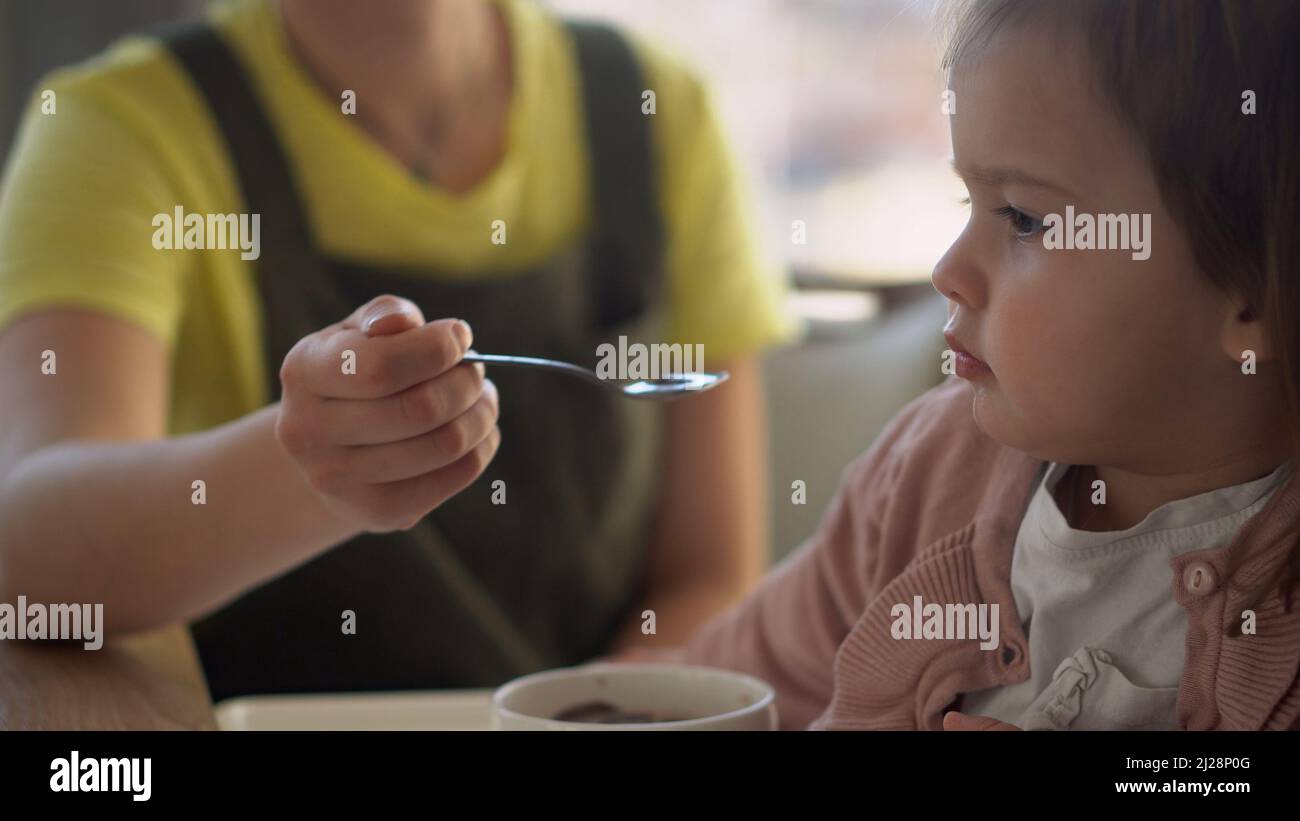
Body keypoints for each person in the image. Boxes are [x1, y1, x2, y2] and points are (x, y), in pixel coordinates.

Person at [0, 0, 794, 700]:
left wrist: (591, 716)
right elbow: (25, 556)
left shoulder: (659, 112)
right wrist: (305, 471)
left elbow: (710, 576)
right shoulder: (120, 128)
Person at [653, 0, 1300, 730]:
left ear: (1253, 295)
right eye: (969, 199)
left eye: (1024, 217)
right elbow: (717, 691)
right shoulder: (927, 473)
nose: (947, 269)